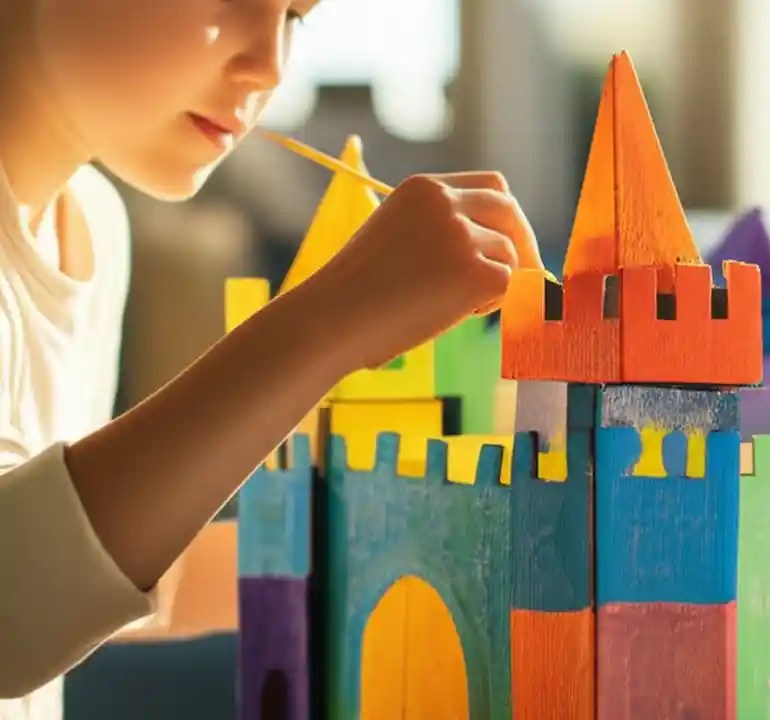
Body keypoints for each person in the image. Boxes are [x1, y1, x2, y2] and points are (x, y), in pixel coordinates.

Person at [0, 0, 542, 716]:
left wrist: (391, 546)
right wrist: (333, 319)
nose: (270, 65)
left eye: (293, 17)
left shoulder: (93, 229)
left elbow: (85, 576)